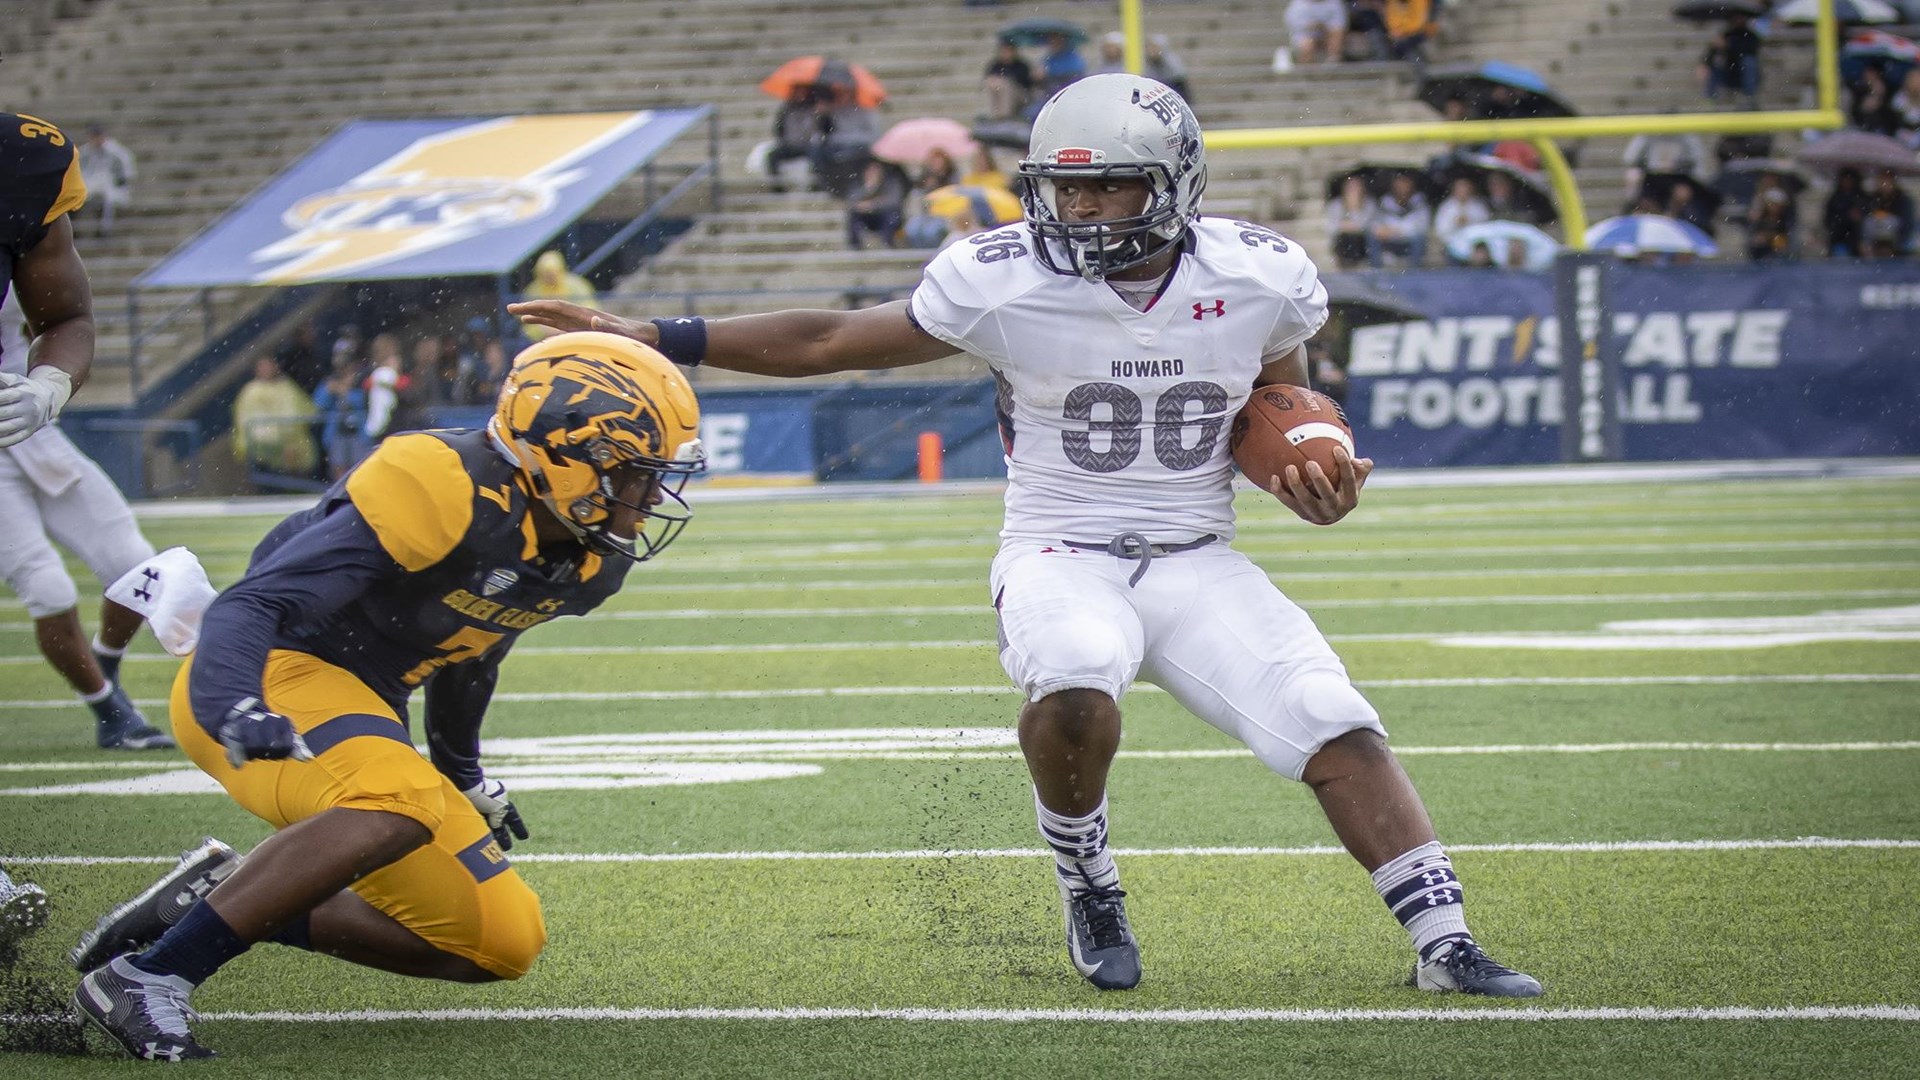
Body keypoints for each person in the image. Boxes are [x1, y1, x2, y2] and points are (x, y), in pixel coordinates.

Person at [511, 74, 1542, 1001]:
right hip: (1060, 550)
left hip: (1198, 554)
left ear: (1176, 183)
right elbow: (833, 338)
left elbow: (1278, 393)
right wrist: (660, 336)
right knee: (1079, 671)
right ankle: (1086, 872)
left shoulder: (1262, 274)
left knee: (1333, 715)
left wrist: (1313, 462)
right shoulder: (1002, 276)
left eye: (1111, 190)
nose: (1083, 211)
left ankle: (1444, 943)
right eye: (1066, 189)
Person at [69, 332, 709, 1061]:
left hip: (365, 705)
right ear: (565, 454)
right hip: (276, 670)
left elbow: (476, 649)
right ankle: (152, 975)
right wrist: (237, 707)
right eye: (636, 473)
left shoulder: (587, 553)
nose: (653, 494)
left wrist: (463, 775)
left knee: (499, 941)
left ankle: (219, 904)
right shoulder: (442, 483)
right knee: (395, 807)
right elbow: (254, 603)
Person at [0, 112, 173, 756]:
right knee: (44, 586)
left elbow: (68, 317)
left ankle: (109, 662)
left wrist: (48, 389)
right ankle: (109, 711)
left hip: (25, 417)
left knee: (134, 566)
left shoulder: (27, 183)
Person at [230, 355, 318, 479]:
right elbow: (243, 417)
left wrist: (288, 438)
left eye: (268, 366)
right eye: (263, 367)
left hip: (288, 447)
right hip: (260, 448)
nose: (267, 370)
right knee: (267, 479)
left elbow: (301, 410)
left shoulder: (286, 388)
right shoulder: (250, 391)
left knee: (290, 479)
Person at [520, 251, 596, 342]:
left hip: (573, 331)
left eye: (553, 272)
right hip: (541, 336)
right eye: (546, 273)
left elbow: (589, 310)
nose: (550, 277)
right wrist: (544, 329)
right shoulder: (533, 290)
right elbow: (526, 318)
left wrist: (568, 326)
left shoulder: (576, 285)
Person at [75, 124, 135, 238]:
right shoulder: (85, 152)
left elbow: (126, 174)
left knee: (108, 200)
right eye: (93, 136)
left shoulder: (117, 152)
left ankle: (104, 231)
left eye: (98, 136)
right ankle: (73, 232)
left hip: (112, 185)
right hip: (91, 184)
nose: (96, 139)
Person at [1369, 171, 1431, 267]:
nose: (1402, 188)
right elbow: (1375, 223)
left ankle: (1414, 271)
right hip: (1390, 242)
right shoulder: (1385, 202)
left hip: (1409, 242)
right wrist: (1380, 229)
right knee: (1372, 236)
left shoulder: (1420, 203)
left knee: (1419, 239)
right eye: (1399, 184)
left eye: (1405, 183)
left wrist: (1398, 231)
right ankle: (1376, 270)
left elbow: (1422, 227)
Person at [846, 158, 908, 249]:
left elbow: (894, 202)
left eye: (875, 171)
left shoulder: (892, 183)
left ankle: (888, 241)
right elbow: (852, 202)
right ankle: (855, 244)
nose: (873, 174)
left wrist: (872, 205)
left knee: (892, 215)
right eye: (870, 171)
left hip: (886, 218)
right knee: (853, 216)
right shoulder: (859, 184)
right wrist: (868, 189)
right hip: (868, 218)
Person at [1325, 174, 1376, 270]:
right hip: (1342, 241)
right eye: (1350, 187)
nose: (1353, 190)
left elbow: (1367, 225)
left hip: (1362, 241)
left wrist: (1355, 209)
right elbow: (1331, 226)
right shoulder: (1336, 205)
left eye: (1357, 186)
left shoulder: (1369, 204)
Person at [983, 39, 1036, 122]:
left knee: (1006, 84)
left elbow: (1026, 83)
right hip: (999, 92)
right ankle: (996, 114)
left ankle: (1004, 115)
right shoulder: (995, 65)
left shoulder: (1021, 65)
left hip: (1021, 95)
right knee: (992, 83)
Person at [1286, 0, 1349, 66]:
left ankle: (1333, 60)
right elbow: (1292, 22)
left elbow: (1340, 22)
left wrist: (1323, 27)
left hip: (1327, 34)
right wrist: (1310, 26)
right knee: (1306, 45)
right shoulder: (1298, 3)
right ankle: (1310, 70)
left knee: (1337, 32)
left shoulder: (1334, 3)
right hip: (1306, 34)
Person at [1431, 176, 1489, 247]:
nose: (1463, 192)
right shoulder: (1447, 207)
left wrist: (1470, 220)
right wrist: (1454, 222)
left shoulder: (1478, 206)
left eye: (1465, 189)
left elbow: (1485, 225)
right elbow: (1440, 229)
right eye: (1460, 189)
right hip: (1451, 242)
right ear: (1454, 190)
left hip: (1475, 243)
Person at [1823, 166, 1867, 257]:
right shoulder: (1835, 198)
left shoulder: (1862, 197)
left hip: (1857, 238)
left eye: (1850, 179)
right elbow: (1829, 219)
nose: (1847, 182)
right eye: (1845, 179)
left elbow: (1867, 212)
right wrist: (1846, 216)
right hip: (1839, 237)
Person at [1145, 34, 1191, 102]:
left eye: (1154, 47)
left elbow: (1178, 81)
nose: (1151, 50)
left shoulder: (1172, 62)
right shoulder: (1151, 62)